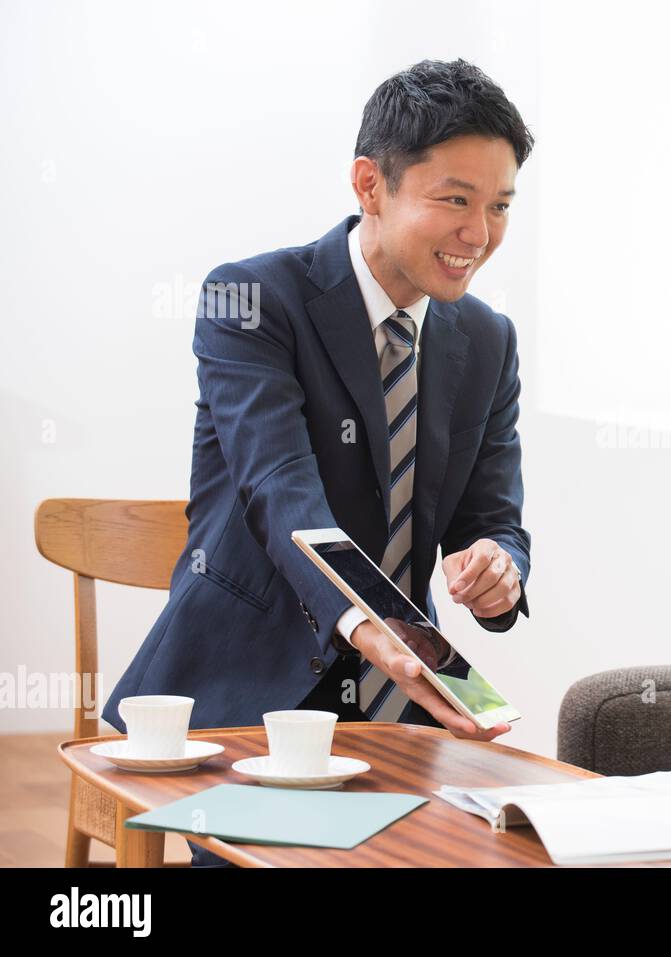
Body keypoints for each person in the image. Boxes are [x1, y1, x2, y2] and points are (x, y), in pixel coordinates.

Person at [101, 59, 534, 865]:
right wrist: (369, 626)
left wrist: (499, 564)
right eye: (455, 200)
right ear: (371, 185)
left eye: (500, 205)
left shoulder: (486, 339)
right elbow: (280, 488)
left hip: (402, 708)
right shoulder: (252, 299)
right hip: (241, 697)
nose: (480, 233)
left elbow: (492, 516)